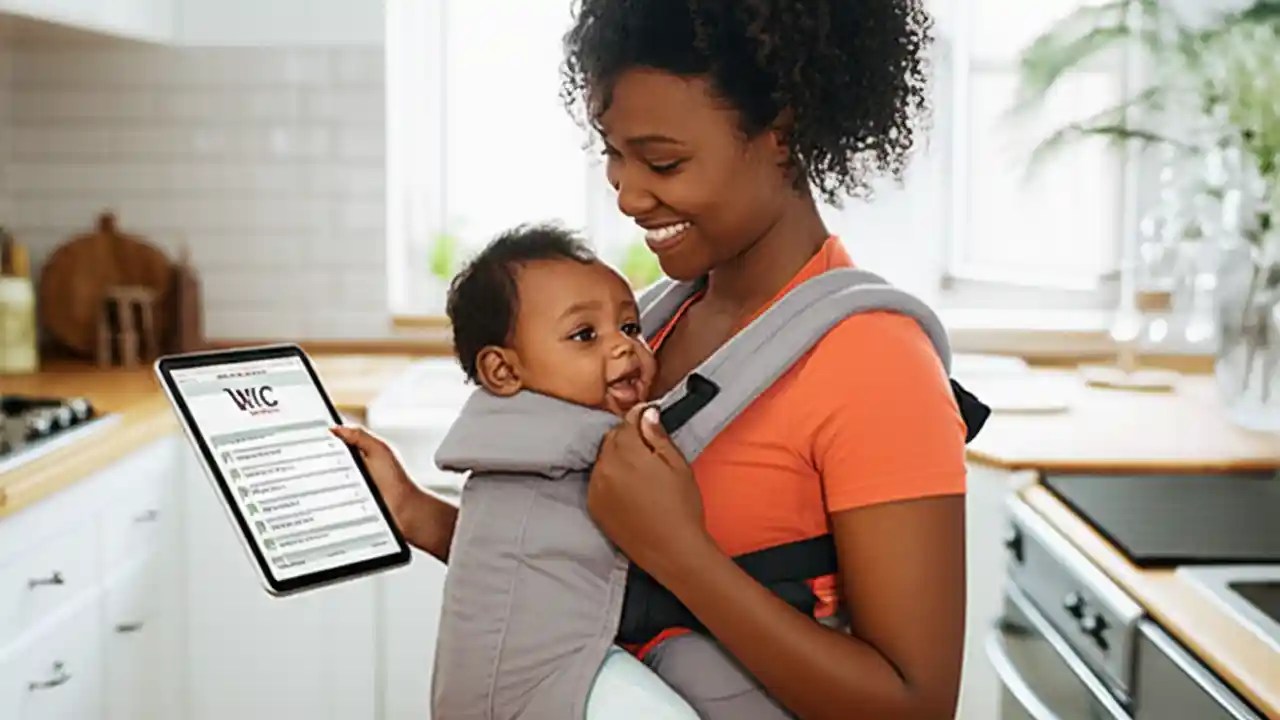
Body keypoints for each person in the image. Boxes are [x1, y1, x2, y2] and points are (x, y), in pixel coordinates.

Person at [332, 0, 967, 717]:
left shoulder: (874, 362)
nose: (629, 195)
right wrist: (419, 517)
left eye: (663, 161)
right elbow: (595, 579)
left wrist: (681, 554)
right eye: (612, 152)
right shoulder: (644, 327)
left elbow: (916, 705)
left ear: (780, 135)